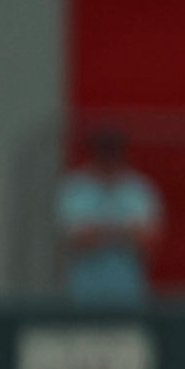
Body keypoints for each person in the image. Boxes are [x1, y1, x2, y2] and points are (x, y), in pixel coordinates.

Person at [55, 127, 163, 305]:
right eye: (102, 153)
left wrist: (100, 231)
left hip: (127, 287)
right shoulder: (76, 188)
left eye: (111, 153)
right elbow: (78, 239)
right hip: (84, 288)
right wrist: (123, 233)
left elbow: (149, 238)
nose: (107, 160)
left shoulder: (138, 189)